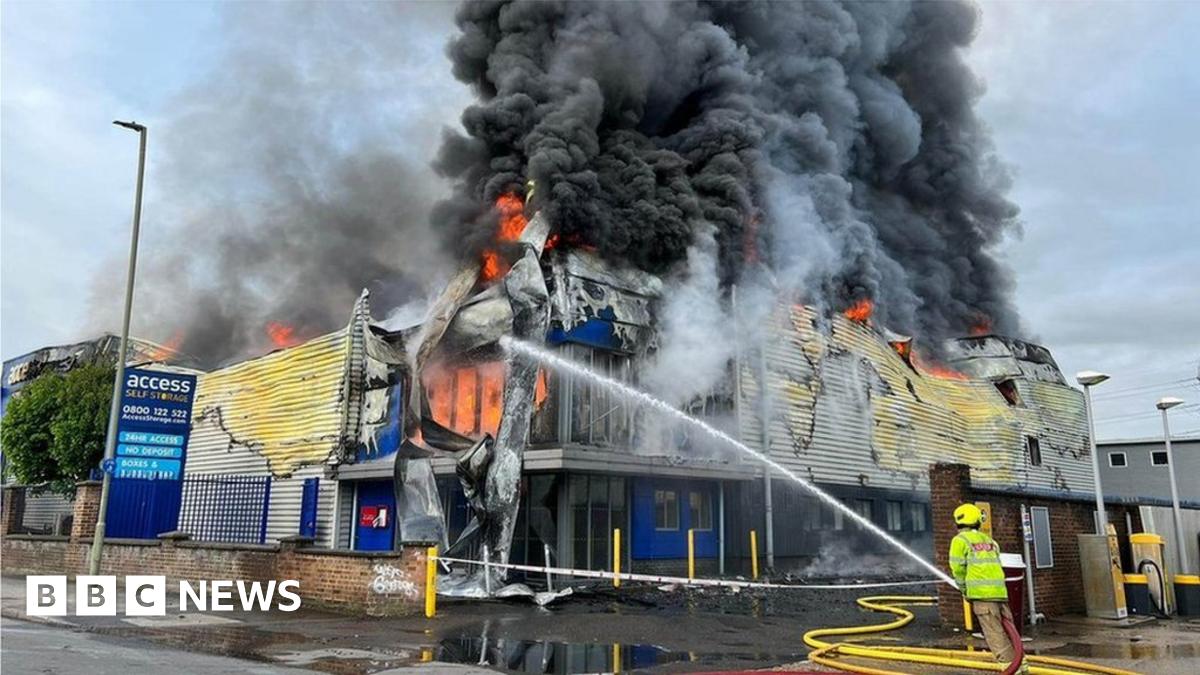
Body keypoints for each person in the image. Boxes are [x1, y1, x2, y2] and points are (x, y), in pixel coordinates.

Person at [949, 503, 1029, 674]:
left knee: (995, 635)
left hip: (982, 596)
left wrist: (964, 590)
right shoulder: (989, 541)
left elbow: (957, 568)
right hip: (1000, 593)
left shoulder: (959, 541)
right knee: (1010, 632)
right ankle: (1023, 666)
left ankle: (1011, 669)